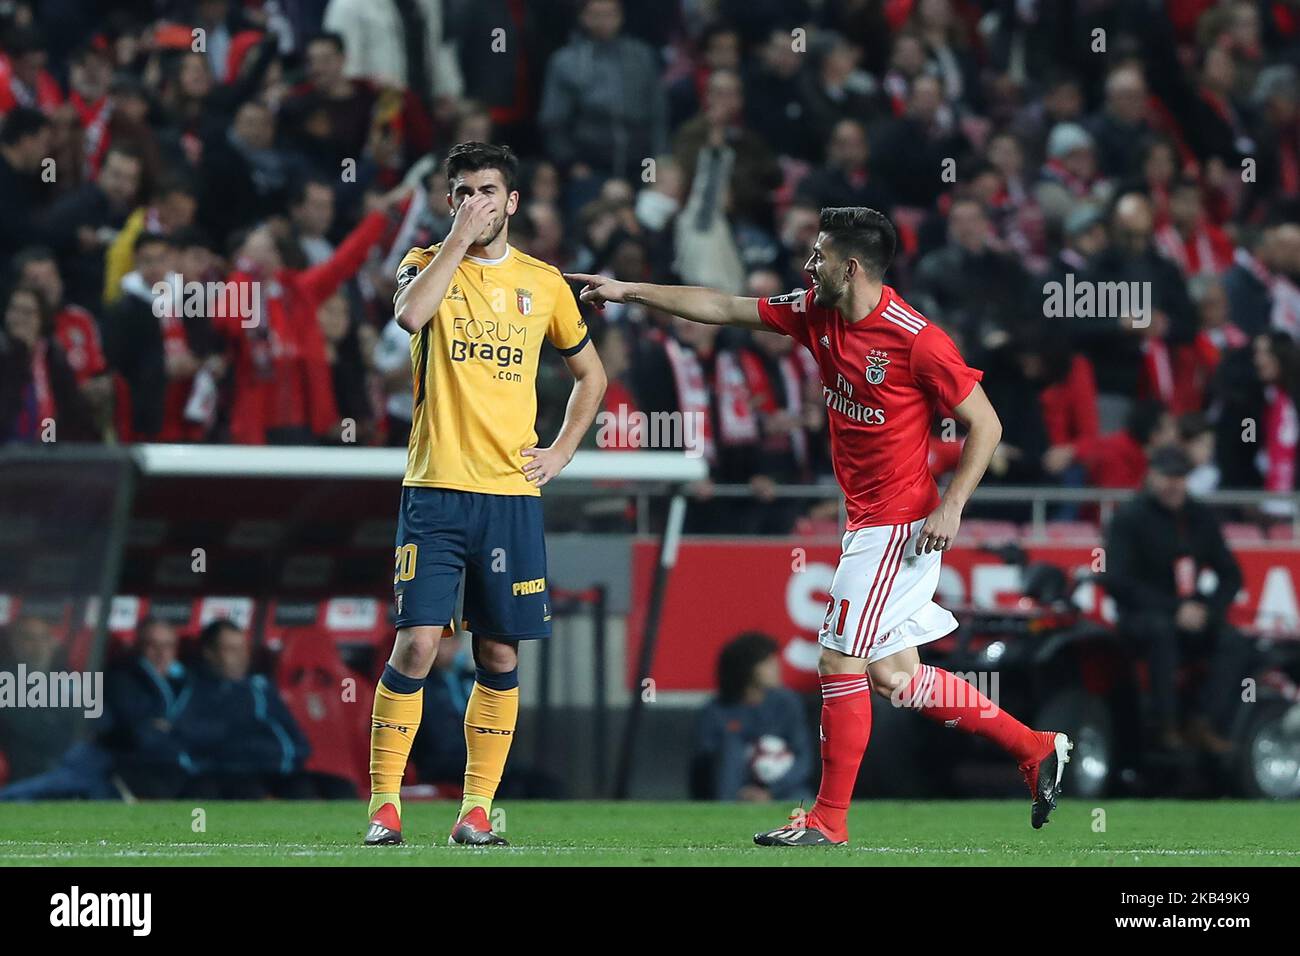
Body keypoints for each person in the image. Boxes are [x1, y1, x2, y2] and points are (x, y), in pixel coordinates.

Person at [568, 206, 1070, 847]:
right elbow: (724, 308)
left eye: (818, 256)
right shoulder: (817, 312)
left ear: (850, 266)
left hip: (900, 525)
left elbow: (988, 424)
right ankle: (1035, 747)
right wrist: (631, 291)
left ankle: (829, 822)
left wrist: (952, 506)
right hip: (867, 522)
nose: (808, 266)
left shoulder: (917, 338)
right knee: (896, 677)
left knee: (839, 657)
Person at [364, 142, 606, 847]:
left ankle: (475, 812)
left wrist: (561, 451)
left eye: (489, 191)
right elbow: (409, 318)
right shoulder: (422, 264)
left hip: (508, 497)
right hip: (435, 489)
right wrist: (457, 242)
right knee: (415, 646)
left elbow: (592, 376)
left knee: (499, 654)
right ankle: (385, 805)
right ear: (449, 201)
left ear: (514, 201)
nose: (477, 202)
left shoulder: (545, 283)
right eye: (464, 192)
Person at [1103, 445, 1249, 753]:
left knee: (1234, 642)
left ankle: (1204, 722)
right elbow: (1117, 581)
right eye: (1167, 475)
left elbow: (1231, 574)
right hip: (1141, 616)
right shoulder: (1129, 518)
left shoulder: (1199, 517)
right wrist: (1175, 609)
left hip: (1192, 613)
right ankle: (1165, 726)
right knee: (1161, 631)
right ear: (1151, 476)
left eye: (1181, 476)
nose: (1174, 484)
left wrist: (1208, 610)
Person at [691, 632, 814, 802]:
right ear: (747, 669)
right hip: (733, 792)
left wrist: (771, 791)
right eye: (767, 663)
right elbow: (706, 764)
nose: (777, 667)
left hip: (783, 792)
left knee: (802, 800)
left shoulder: (788, 704)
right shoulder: (716, 711)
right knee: (730, 746)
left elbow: (803, 759)